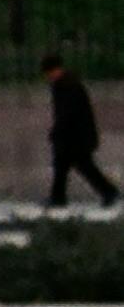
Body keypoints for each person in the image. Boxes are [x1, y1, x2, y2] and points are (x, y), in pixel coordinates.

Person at [45, 53, 119, 209]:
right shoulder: (66, 84)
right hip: (71, 136)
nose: (48, 76)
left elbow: (67, 113)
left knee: (83, 166)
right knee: (62, 166)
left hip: (75, 137)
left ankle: (109, 192)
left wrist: (57, 130)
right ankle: (58, 197)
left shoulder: (67, 86)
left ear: (54, 70)